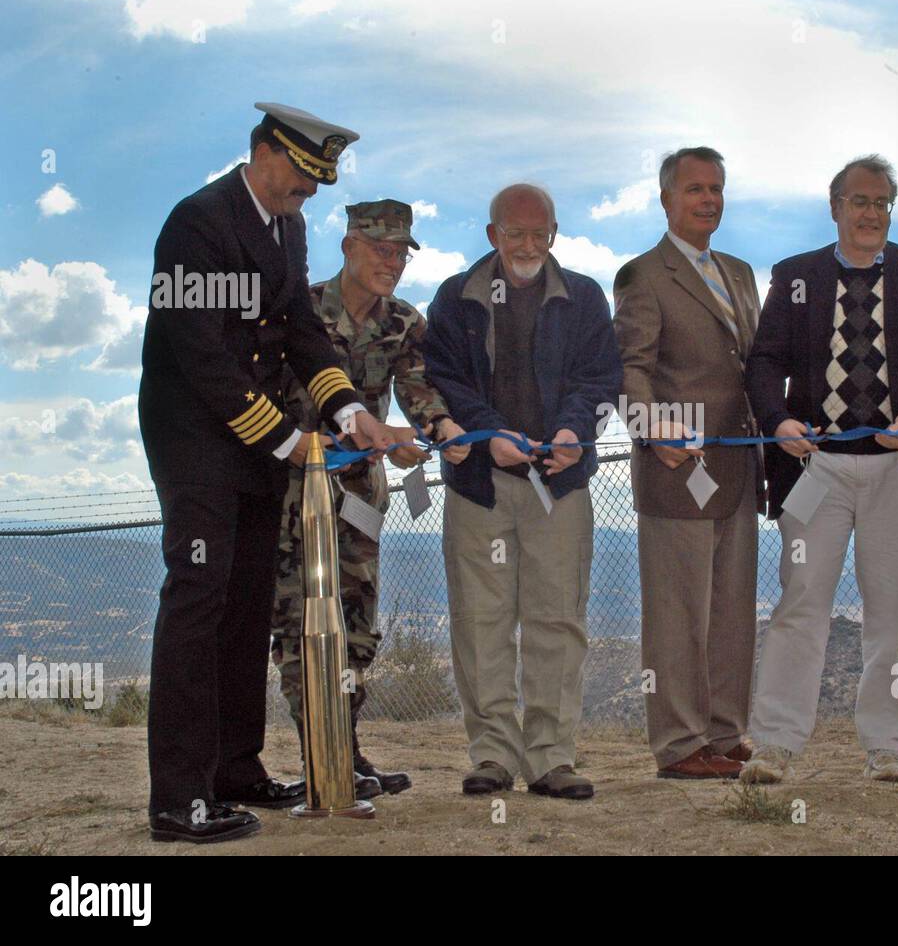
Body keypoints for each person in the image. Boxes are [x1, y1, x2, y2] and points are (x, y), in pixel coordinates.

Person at [139, 103, 403, 843]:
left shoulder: (287, 227)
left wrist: (348, 409)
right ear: (262, 151)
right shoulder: (198, 221)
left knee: (247, 602)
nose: (310, 192)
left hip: (253, 445)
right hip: (195, 435)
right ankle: (178, 798)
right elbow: (202, 357)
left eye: (320, 181)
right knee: (198, 598)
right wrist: (287, 438)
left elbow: (299, 331)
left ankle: (234, 768)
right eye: (302, 175)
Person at [741, 154, 898, 785]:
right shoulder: (794, 277)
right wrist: (779, 422)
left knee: (894, 616)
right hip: (818, 469)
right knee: (799, 606)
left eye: (882, 203)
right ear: (835, 205)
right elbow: (763, 362)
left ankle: (888, 747)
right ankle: (777, 746)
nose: (871, 213)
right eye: (859, 201)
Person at [423, 184, 622, 800]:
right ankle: (491, 756)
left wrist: (572, 428)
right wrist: (488, 434)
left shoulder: (584, 296)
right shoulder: (455, 298)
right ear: (493, 236)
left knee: (556, 620)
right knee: (480, 622)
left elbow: (600, 377)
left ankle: (551, 758)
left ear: (555, 234)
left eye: (542, 234)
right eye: (516, 233)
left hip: (559, 484)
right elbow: (443, 379)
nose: (530, 245)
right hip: (480, 486)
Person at [270, 199, 470, 799]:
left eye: (401, 252)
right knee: (301, 622)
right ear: (349, 245)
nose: (392, 262)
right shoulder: (299, 310)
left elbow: (417, 390)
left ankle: (346, 750)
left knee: (356, 625)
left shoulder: (403, 322)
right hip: (292, 491)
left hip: (359, 493)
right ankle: (320, 756)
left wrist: (438, 430)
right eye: (380, 248)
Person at [612, 147, 764, 780]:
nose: (709, 200)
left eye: (718, 189)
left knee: (732, 615)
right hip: (678, 472)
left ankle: (726, 736)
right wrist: (649, 430)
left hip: (738, 470)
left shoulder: (741, 272)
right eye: (696, 189)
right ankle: (679, 746)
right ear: (667, 199)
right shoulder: (642, 275)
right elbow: (631, 367)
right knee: (679, 621)